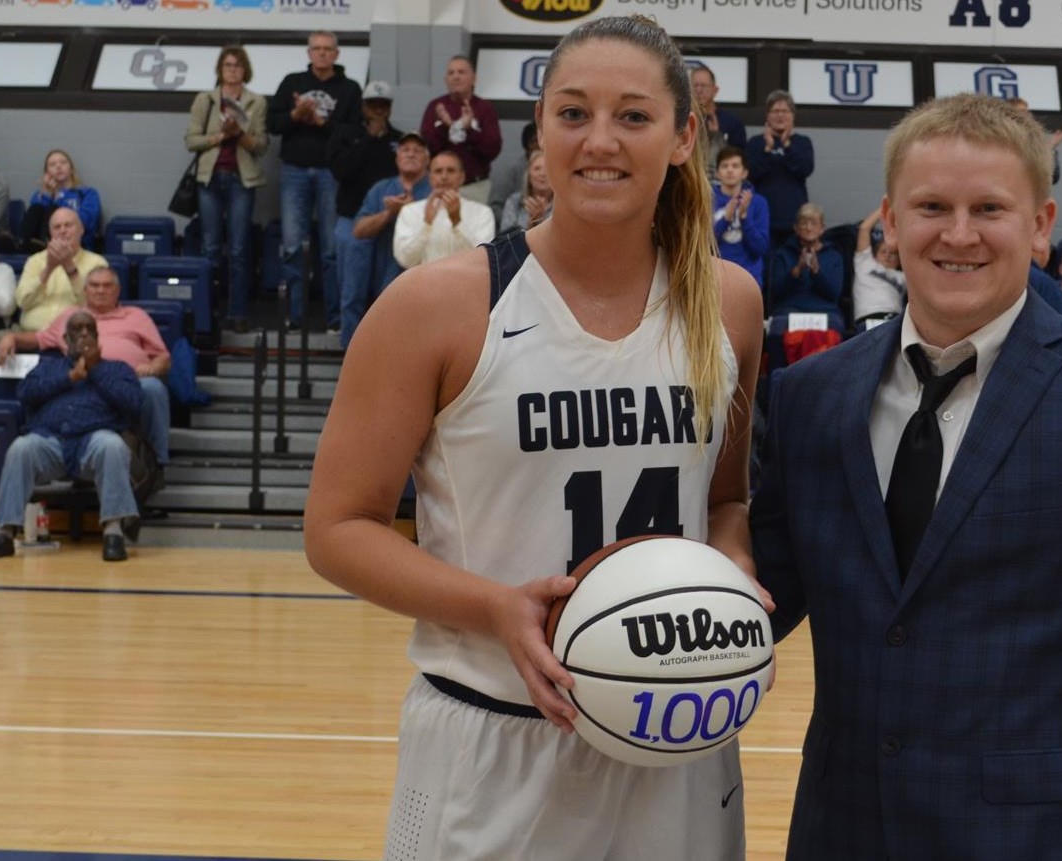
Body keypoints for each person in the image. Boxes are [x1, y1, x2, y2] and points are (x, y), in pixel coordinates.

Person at [303, 15, 763, 858]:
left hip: (678, 739)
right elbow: (336, 531)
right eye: (573, 113)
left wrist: (729, 569)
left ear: (683, 135)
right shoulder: (437, 304)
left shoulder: (727, 302)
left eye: (633, 116)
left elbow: (724, 497)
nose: (600, 142)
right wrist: (495, 607)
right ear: (540, 132)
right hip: (493, 736)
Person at [751, 93, 1062, 861]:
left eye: (989, 207)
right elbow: (760, 596)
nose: (958, 233)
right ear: (888, 221)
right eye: (931, 205)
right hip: (841, 830)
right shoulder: (811, 395)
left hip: (1043, 840)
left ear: (1040, 224)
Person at [0, 311, 143, 563]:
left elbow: (133, 403)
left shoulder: (117, 369)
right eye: (77, 329)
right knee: (21, 448)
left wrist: (96, 370)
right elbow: (26, 393)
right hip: (50, 441)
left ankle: (113, 534)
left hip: (92, 441)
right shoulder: (48, 366)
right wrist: (68, 378)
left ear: (97, 337)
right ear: (65, 338)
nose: (84, 333)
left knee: (112, 445)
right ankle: (4, 533)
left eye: (89, 329)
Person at [0, 266, 171, 466]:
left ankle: (156, 462)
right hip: (82, 384)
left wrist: (151, 368)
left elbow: (163, 357)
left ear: (118, 290)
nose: (100, 290)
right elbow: (38, 338)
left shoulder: (136, 316)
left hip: (126, 380)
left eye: (107, 286)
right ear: (85, 290)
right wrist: (10, 336)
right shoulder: (71, 317)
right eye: (94, 285)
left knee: (153, 387)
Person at [267, 30, 363, 332]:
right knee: (293, 247)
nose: (321, 54)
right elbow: (272, 124)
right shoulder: (292, 83)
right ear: (308, 53)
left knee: (332, 251)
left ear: (336, 54)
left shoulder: (349, 88)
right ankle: (293, 318)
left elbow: (355, 132)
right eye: (316, 49)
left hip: (331, 174)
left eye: (327, 49)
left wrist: (323, 123)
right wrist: (296, 115)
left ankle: (335, 320)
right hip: (294, 171)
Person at [185, 46, 269, 334]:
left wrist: (239, 135)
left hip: (240, 180)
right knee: (210, 248)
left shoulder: (255, 102)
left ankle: (238, 313)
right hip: (209, 179)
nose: (232, 70)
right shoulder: (205, 100)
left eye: (237, 65)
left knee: (239, 249)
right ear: (220, 69)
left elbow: (260, 145)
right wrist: (222, 135)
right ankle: (209, 314)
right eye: (227, 65)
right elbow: (191, 141)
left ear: (245, 70)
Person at [328, 80, 403, 341]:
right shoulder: (346, 134)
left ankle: (381, 352)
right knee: (352, 293)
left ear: (390, 108)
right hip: (352, 220)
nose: (378, 110)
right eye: (373, 105)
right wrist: (369, 140)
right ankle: (349, 352)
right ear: (363, 106)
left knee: (386, 292)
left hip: (388, 223)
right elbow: (341, 170)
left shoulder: (399, 140)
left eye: (384, 105)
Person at [344, 134, 432, 349]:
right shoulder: (381, 189)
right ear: (396, 157)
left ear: (428, 159)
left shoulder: (434, 188)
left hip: (422, 274)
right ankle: (353, 350)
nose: (410, 153)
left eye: (417, 150)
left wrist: (412, 212)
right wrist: (388, 214)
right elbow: (358, 230)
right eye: (405, 149)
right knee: (353, 251)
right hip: (380, 269)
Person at [419, 56, 502, 205]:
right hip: (438, 187)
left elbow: (492, 150)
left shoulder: (485, 108)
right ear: (445, 79)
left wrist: (469, 129)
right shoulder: (435, 107)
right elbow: (425, 149)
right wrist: (445, 127)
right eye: (451, 73)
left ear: (474, 78)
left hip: (475, 186)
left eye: (461, 72)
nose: (456, 76)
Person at [393, 151, 496, 269]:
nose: (444, 176)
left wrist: (457, 222)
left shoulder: (482, 212)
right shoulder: (410, 211)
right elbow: (405, 260)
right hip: (424, 284)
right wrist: (427, 224)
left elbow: (483, 259)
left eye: (450, 171)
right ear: (430, 178)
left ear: (462, 177)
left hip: (465, 284)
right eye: (438, 171)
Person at [11, 208, 106, 334]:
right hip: (29, 334)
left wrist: (69, 267)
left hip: (74, 338)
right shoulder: (35, 261)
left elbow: (95, 305)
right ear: (51, 234)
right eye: (57, 227)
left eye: (68, 225)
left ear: (81, 229)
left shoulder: (97, 263)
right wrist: (48, 269)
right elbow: (23, 302)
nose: (63, 231)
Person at [746, 90, 814, 245]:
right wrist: (768, 149)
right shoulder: (755, 143)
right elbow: (750, 174)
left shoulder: (803, 142)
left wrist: (787, 145)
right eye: (775, 111)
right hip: (763, 218)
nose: (780, 115)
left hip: (794, 219)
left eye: (785, 111)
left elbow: (805, 169)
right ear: (767, 116)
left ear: (792, 115)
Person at [767, 203, 845, 331]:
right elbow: (776, 292)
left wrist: (816, 272)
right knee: (777, 327)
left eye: (813, 223)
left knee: (835, 325)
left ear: (822, 229)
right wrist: (797, 270)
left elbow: (834, 294)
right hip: (789, 310)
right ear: (796, 228)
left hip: (824, 311)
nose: (808, 228)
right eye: (804, 223)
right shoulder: (782, 254)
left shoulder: (833, 256)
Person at [18, 150, 102, 253]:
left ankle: (46, 244)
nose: (58, 166)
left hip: (76, 244)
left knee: (54, 210)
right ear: (47, 173)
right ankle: (21, 244)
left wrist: (58, 200)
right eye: (52, 164)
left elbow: (86, 221)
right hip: (38, 246)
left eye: (63, 162)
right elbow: (34, 221)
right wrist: (48, 195)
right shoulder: (40, 194)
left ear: (71, 169)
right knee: (36, 208)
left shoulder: (87, 193)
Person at [711, 146, 768, 288]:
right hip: (714, 277)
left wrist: (744, 217)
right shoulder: (706, 201)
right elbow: (703, 246)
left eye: (735, 166)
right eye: (725, 166)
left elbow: (761, 248)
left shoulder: (758, 202)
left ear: (744, 173)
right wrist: (725, 220)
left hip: (749, 277)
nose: (730, 170)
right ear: (717, 173)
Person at [850, 207, 903, 330]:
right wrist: (887, 206)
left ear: (899, 259)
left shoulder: (904, 277)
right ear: (875, 255)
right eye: (883, 252)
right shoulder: (865, 263)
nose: (888, 256)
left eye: (893, 253)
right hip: (868, 321)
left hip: (895, 322)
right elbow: (864, 229)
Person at [689, 64, 746, 175]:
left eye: (703, 86)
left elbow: (737, 161)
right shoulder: (680, 120)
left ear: (715, 90)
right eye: (695, 86)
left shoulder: (733, 122)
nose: (699, 90)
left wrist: (717, 137)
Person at [496, 150, 554, 234]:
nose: (542, 174)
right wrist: (532, 223)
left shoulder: (564, 205)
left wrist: (540, 221)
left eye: (548, 169)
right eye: (537, 169)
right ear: (529, 175)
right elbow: (505, 239)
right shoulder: (514, 201)